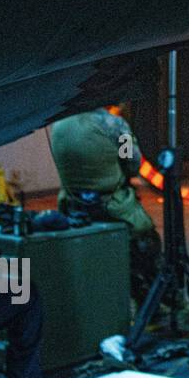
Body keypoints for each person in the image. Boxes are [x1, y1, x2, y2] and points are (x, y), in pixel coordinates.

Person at [50, 106, 160, 306]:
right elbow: (132, 164)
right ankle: (161, 300)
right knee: (147, 243)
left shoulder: (58, 125)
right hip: (113, 207)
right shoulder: (115, 125)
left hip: (73, 207)